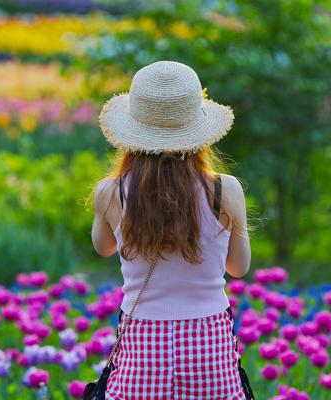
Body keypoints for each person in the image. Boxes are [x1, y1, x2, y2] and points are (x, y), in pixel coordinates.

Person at [91, 60, 251, 399]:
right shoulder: (226, 190)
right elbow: (238, 268)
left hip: (143, 340)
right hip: (208, 341)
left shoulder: (111, 192)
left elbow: (103, 247)